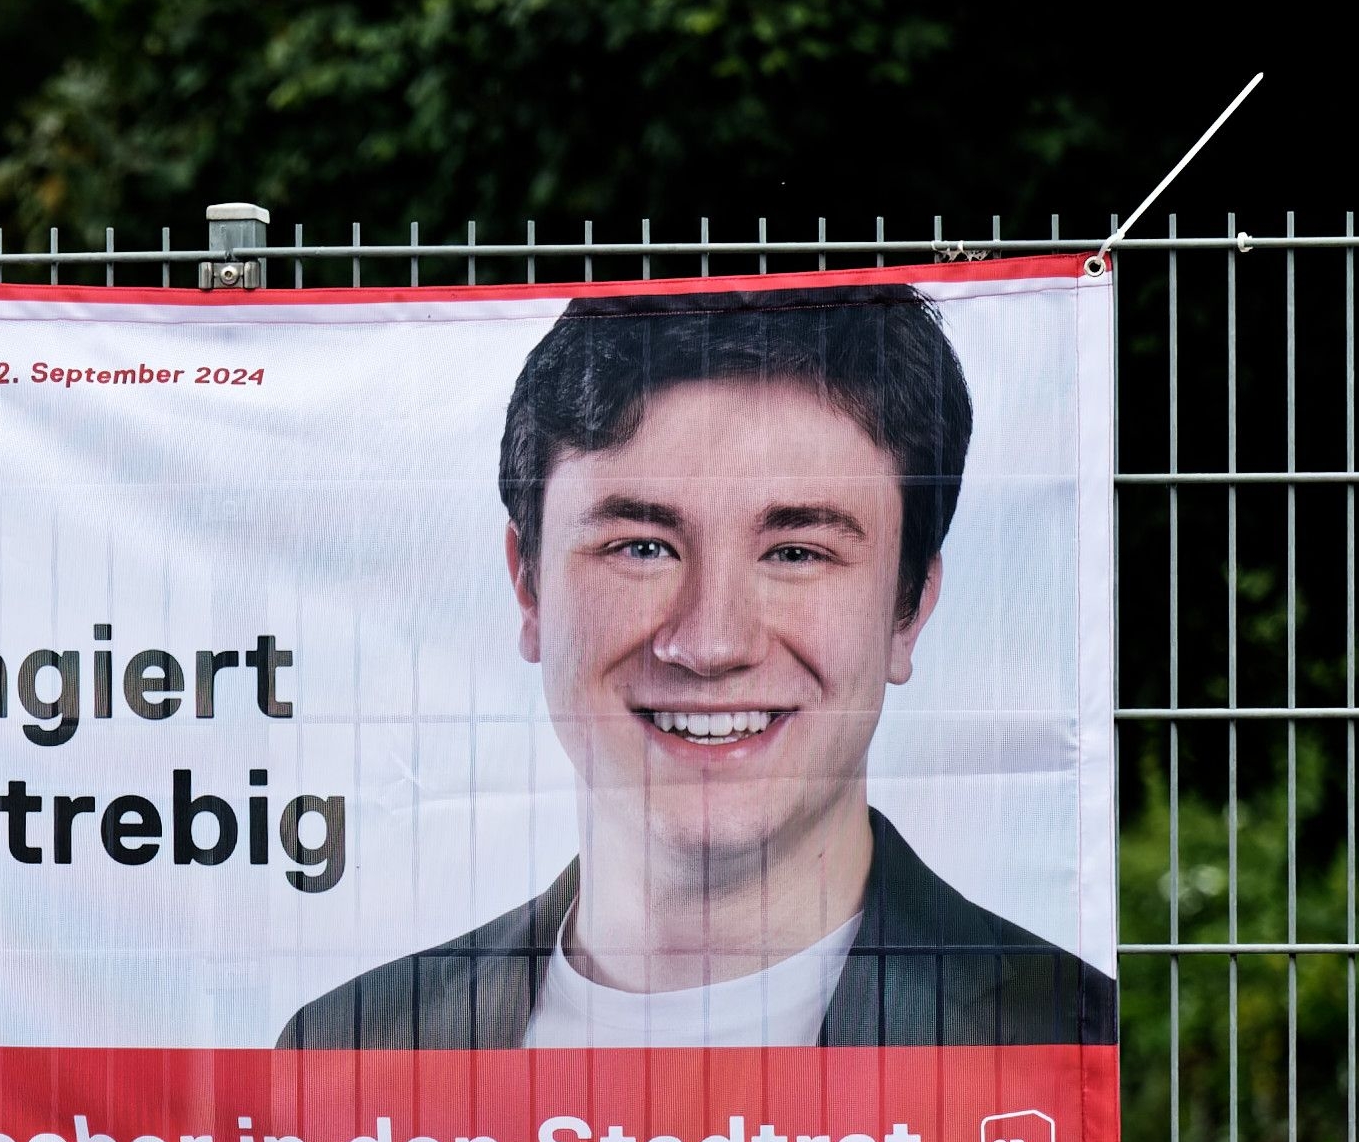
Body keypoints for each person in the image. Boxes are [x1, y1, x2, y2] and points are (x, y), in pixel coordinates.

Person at [277, 286, 1114, 1052]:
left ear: (910, 609)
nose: (710, 643)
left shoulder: (1072, 1037)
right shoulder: (345, 1045)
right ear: (528, 586)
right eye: (642, 547)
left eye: (796, 552)